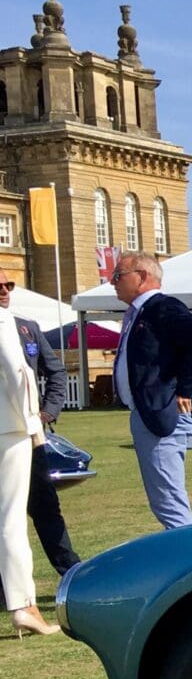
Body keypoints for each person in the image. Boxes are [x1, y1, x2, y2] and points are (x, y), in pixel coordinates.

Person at [112, 253, 192, 530]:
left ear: (142, 276)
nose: (113, 283)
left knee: (169, 501)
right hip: (149, 412)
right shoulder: (141, 312)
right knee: (165, 500)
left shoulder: (161, 307)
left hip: (161, 413)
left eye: (118, 276)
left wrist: (186, 388)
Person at [0, 268, 78, 580]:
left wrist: (47, 411)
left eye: (9, 284)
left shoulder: (26, 329)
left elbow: (56, 372)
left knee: (45, 506)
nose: (4, 290)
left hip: (29, 438)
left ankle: (71, 572)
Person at [0, 276, 55, 636]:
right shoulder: (4, 322)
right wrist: (33, 424)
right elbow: (19, 373)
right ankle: (24, 604)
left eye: (8, 284)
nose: (5, 291)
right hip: (10, 428)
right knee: (11, 520)